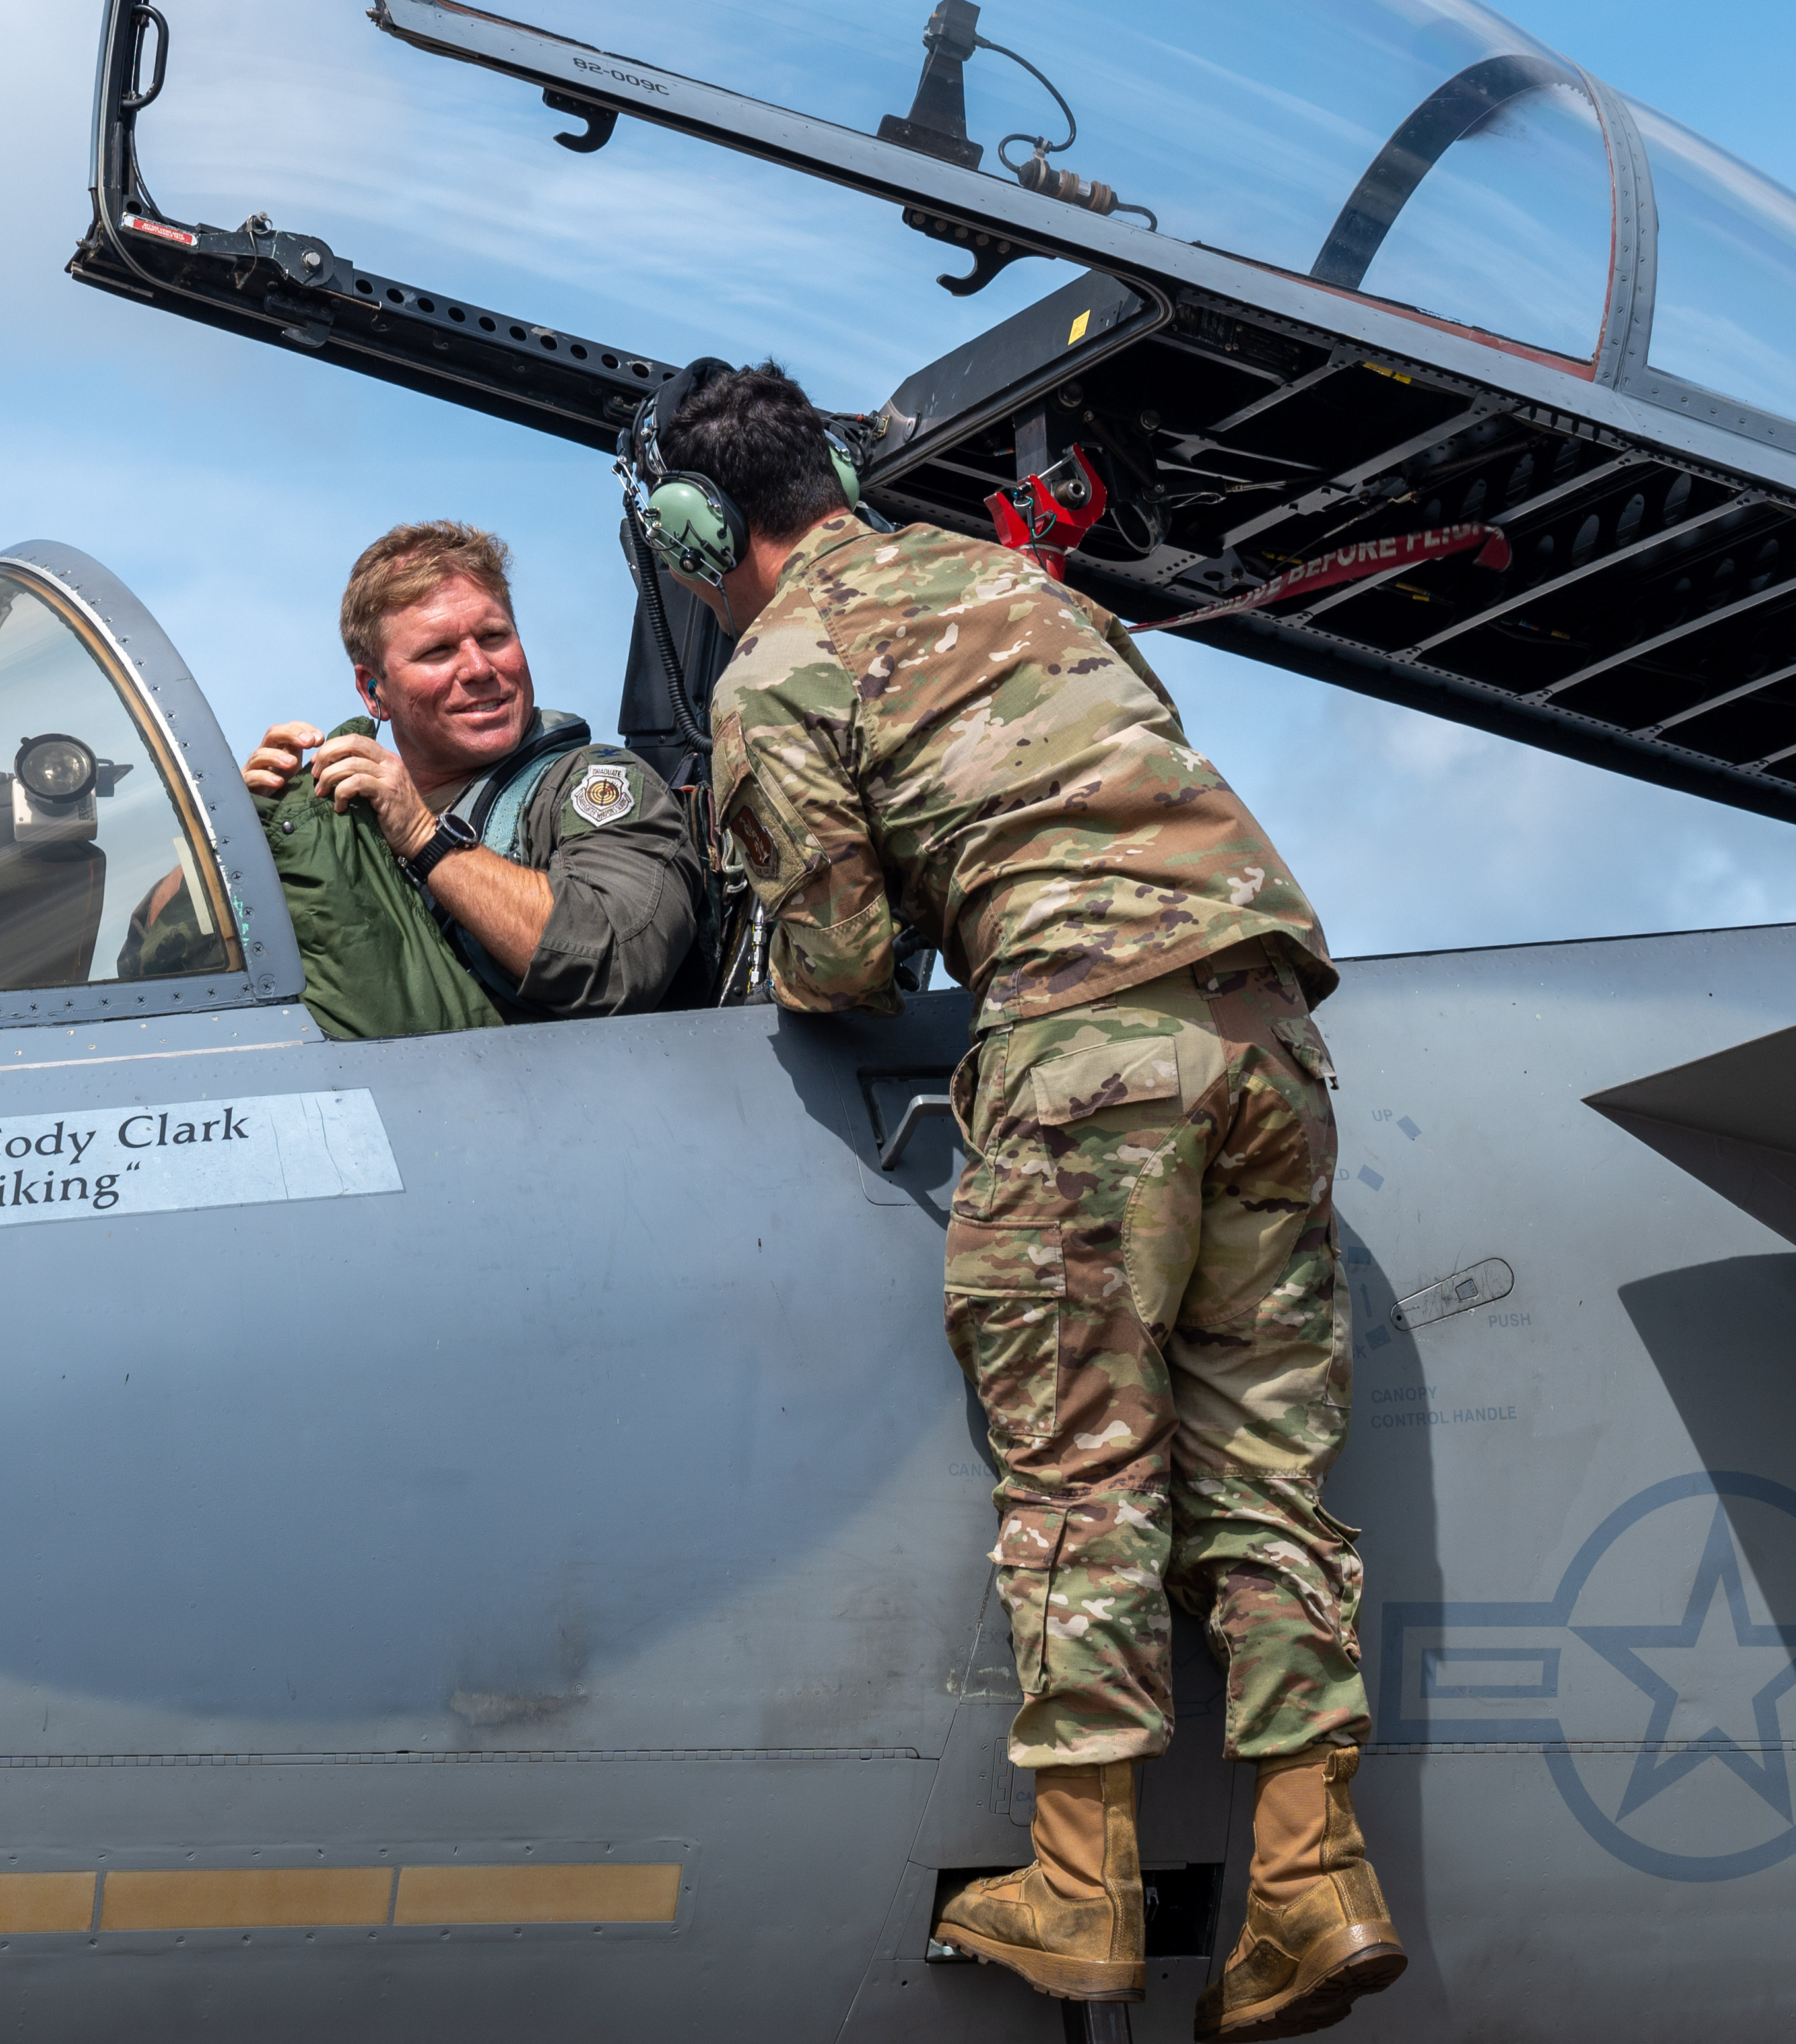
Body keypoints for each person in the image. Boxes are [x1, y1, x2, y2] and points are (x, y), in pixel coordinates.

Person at [636, 361, 1401, 2040]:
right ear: (834, 476)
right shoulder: (1014, 581)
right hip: (1268, 1032)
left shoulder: (775, 669)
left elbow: (839, 960)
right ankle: (1312, 1885)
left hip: (1084, 1049)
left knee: (1081, 1467)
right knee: (1264, 1471)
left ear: (692, 534)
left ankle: (1080, 1881)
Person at [237, 521, 710, 1032]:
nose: (480, 668)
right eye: (438, 651)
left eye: (493, 637)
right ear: (373, 690)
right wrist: (233, 844)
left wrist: (425, 838)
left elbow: (617, 964)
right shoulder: (340, 822)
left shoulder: (590, 785)